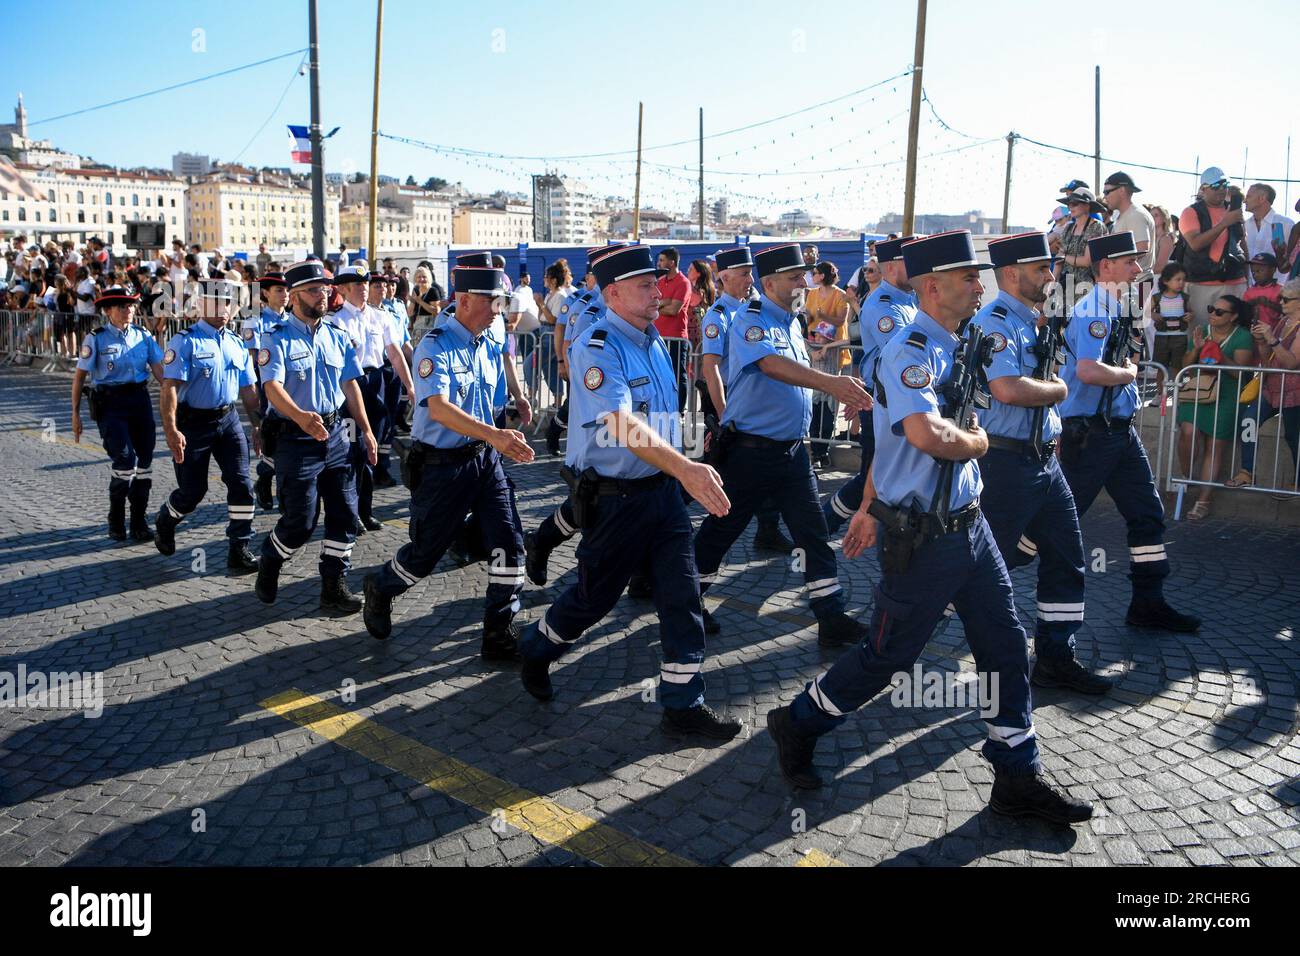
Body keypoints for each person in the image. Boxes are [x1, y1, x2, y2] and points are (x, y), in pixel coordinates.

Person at [766, 230, 1094, 825]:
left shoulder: (959, 340)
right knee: (887, 655)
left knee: (1002, 645)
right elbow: (923, 435)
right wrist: (980, 441)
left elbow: (886, 446)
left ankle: (1017, 776)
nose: (980, 285)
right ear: (933, 285)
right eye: (969, 278)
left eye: (980, 276)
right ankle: (798, 722)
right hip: (923, 535)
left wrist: (864, 504)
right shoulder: (912, 347)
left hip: (970, 527)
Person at [516, 244, 742, 742]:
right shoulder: (597, 344)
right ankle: (537, 646)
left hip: (661, 493)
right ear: (613, 293)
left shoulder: (652, 339)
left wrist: (682, 457)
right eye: (644, 285)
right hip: (615, 499)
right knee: (593, 599)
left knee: (682, 596)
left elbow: (660, 414)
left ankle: (684, 704)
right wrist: (687, 467)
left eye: (656, 283)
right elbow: (620, 422)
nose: (656, 291)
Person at [692, 242, 873, 644]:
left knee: (811, 534)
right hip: (750, 452)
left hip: (791, 452)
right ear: (769, 282)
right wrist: (831, 384)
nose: (803, 283)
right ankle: (687, 602)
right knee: (720, 531)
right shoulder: (749, 319)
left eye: (804, 275)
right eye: (794, 277)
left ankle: (830, 615)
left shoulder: (792, 321)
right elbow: (769, 364)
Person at [363, 266, 535, 660]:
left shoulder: (489, 333)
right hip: (443, 465)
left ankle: (498, 631)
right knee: (425, 554)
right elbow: (439, 409)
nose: (498, 309)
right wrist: (495, 435)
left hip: (484, 460)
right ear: (466, 300)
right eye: (492, 301)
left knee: (509, 545)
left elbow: (498, 372)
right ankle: (382, 586)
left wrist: (515, 399)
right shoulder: (435, 345)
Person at [971, 232, 1112, 694]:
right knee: (977, 567)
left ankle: (1055, 656)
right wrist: (1061, 388)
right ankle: (896, 641)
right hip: (1005, 464)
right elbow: (1007, 388)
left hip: (1045, 464)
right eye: (1041, 269)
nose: (1051, 276)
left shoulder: (1034, 321)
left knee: (1067, 559)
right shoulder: (996, 322)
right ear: (1011, 274)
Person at [1058, 232, 1200, 631]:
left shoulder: (1114, 306)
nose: (1138, 269)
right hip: (1091, 435)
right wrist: (1129, 373)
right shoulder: (1094, 310)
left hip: (1117, 432)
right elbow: (1088, 370)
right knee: (1056, 520)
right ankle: (978, 583)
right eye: (1130, 262)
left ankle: (1148, 604)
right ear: (1107, 266)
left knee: (1147, 516)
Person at [253, 258, 379, 615]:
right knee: (300, 522)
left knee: (344, 512)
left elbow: (349, 384)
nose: (323, 294)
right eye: (313, 289)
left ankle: (333, 587)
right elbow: (272, 387)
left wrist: (366, 431)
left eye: (325, 288)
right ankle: (270, 559)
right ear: (294, 296)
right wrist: (300, 417)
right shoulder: (275, 337)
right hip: (296, 438)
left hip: (336, 433)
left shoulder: (337, 335)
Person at [154, 279, 263, 572]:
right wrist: (171, 430)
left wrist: (257, 425)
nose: (223, 308)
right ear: (201, 304)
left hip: (228, 421)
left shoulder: (236, 343)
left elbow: (249, 390)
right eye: (215, 301)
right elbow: (169, 387)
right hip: (193, 424)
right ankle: (167, 518)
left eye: (227, 302)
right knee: (192, 491)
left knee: (241, 483)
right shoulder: (185, 341)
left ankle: (239, 547)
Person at [694, 245, 793, 557]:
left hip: (752, 405)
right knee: (719, 468)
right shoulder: (718, 315)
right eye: (744, 273)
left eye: (751, 272)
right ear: (724, 277)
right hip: (727, 403)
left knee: (758, 471)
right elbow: (711, 368)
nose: (751, 279)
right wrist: (725, 414)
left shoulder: (755, 309)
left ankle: (767, 530)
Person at [822, 236, 917, 534]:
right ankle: (824, 523)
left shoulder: (908, 301)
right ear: (890, 267)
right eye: (908, 261)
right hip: (883, 404)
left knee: (883, 472)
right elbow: (905, 355)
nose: (916, 267)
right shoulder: (883, 304)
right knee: (872, 475)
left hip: (892, 401)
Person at [70, 286, 165, 542]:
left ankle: (138, 520)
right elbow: (80, 377)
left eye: (131, 305)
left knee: (144, 461)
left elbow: (160, 373)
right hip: (111, 404)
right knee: (124, 460)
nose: (129, 310)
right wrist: (75, 414)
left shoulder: (143, 336)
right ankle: (116, 516)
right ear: (108, 310)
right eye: (122, 306)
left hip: (139, 401)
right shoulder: (96, 338)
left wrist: (176, 399)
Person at [328, 265, 413, 532]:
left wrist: (410, 387)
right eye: (357, 284)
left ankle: (365, 511)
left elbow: (395, 354)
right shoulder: (336, 321)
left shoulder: (380, 317)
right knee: (349, 454)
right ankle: (348, 513)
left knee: (370, 452)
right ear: (343, 289)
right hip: (349, 388)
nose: (364, 287)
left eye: (365, 282)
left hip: (375, 385)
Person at [1175, 294, 1254, 519]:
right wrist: (1197, 349)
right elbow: (1186, 367)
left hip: (1227, 395)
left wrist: (1218, 354)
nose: (1212, 314)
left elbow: (1238, 372)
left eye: (1219, 312)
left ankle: (1203, 500)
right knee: (1188, 432)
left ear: (1234, 316)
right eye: (1211, 309)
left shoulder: (1242, 337)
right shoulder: (1202, 331)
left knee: (1215, 446)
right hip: (1199, 393)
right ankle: (1188, 477)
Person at [1229, 277, 1300, 489]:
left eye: (1286, 299)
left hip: (1294, 390)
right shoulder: (1282, 322)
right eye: (1281, 298)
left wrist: (1272, 339)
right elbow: (1267, 356)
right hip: (1272, 388)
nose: (1282, 303)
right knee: (1248, 420)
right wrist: (1261, 341)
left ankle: (1297, 481)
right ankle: (1247, 471)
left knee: (1293, 436)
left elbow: (1291, 363)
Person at [1178, 167, 1248, 319]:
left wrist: (1247, 278)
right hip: (1202, 284)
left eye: (1225, 184)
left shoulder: (1232, 210)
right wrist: (1224, 223)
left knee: (1236, 336)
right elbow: (1195, 243)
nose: (1222, 189)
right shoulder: (1191, 212)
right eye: (1216, 185)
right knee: (1200, 337)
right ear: (1203, 189)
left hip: (1235, 281)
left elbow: (1241, 242)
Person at [367, 271, 414, 489]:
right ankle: (369, 466)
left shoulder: (391, 312)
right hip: (372, 373)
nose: (383, 289)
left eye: (384, 286)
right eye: (377, 286)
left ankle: (381, 467)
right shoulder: (362, 314)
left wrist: (412, 374)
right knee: (373, 421)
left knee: (389, 418)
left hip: (392, 370)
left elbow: (402, 344)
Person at [804, 260, 851, 467]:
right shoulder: (811, 294)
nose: (812, 275)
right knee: (814, 401)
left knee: (829, 403)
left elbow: (841, 321)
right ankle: (816, 449)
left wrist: (822, 316)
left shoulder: (841, 295)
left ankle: (822, 450)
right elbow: (808, 318)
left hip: (833, 351)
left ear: (822, 275)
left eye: (814, 272)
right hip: (813, 349)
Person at [1103, 171, 1154, 300]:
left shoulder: (1135, 215)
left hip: (1139, 283)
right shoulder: (1125, 215)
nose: (1105, 197)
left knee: (1135, 321)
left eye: (1107, 192)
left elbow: (1142, 247)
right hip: (1132, 284)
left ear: (1121, 190)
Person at [1051, 186, 1108, 299]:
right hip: (1066, 290)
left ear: (1087, 206)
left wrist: (1064, 257)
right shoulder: (1068, 228)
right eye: (1069, 204)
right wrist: (1052, 286)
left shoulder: (1097, 227)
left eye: (1075, 203)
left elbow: (1087, 261)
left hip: (1088, 290)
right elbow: (1059, 261)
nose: (1070, 207)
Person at [1143, 262, 1191, 396]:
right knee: (1161, 367)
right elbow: (1147, 312)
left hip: (1179, 336)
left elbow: (1191, 311)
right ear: (1165, 281)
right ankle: (1160, 394)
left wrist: (1189, 315)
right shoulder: (1157, 298)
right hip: (1162, 336)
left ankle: (1178, 393)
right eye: (1178, 279)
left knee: (1177, 366)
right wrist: (1154, 315)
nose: (1181, 283)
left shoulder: (1184, 298)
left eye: (1183, 279)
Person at [655, 247, 692, 412]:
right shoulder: (660, 281)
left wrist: (660, 306)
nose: (659, 263)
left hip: (676, 337)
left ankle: (679, 411)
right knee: (658, 374)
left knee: (678, 375)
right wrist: (665, 302)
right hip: (658, 337)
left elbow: (673, 310)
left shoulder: (683, 282)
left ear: (672, 262)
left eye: (662, 260)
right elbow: (654, 303)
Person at [1243, 183, 1294, 285]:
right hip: (1249, 290)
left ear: (1262, 198)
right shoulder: (1244, 225)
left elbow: (1294, 258)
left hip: (1279, 290)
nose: (1244, 200)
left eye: (1248, 196)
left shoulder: (1285, 224)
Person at [1147, 204, 1177, 276]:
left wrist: (1141, 273)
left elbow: (1160, 267)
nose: (1153, 218)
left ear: (1164, 219)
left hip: (1155, 279)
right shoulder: (1150, 237)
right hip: (1146, 278)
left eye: (1156, 215)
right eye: (1151, 216)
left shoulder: (1165, 239)